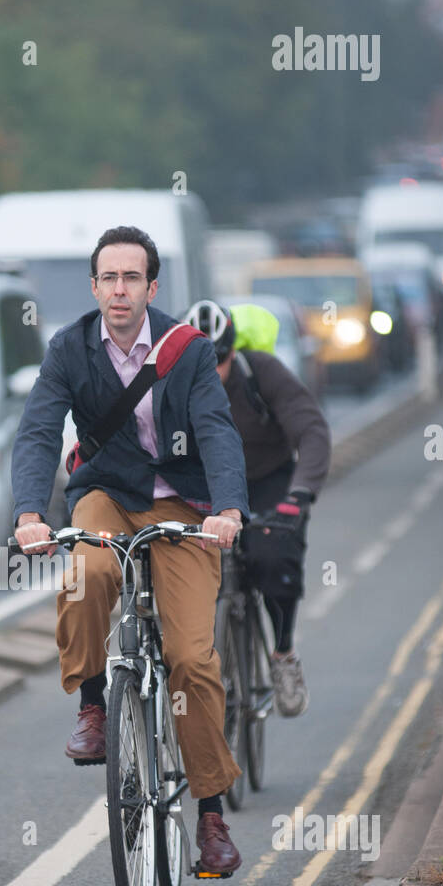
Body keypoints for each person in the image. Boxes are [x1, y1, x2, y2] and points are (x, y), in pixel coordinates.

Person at [11, 227, 250, 875]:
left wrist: (227, 508)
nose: (119, 290)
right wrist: (30, 512)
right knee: (87, 569)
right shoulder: (68, 349)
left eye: (131, 278)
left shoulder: (189, 351)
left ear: (151, 286)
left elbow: (215, 430)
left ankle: (209, 816)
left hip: (184, 507)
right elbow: (36, 431)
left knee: (190, 660)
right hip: (108, 495)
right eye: (108, 278)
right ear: (94, 287)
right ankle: (93, 703)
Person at [183, 300, 331, 716]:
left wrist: (298, 496)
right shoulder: (170, 383)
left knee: (275, 560)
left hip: (267, 482)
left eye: (219, 361)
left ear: (234, 352)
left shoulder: (261, 372)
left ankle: (283, 654)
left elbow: (312, 429)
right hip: (205, 489)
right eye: (198, 363)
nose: (210, 373)